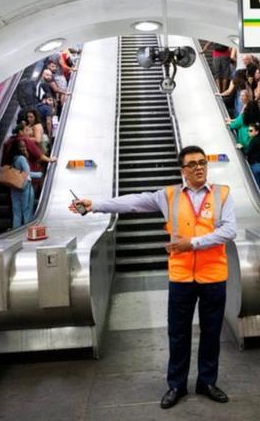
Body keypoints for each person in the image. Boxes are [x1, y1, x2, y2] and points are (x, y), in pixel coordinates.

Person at [70, 145, 237, 410]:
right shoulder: (168, 195)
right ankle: (176, 385)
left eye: (202, 162)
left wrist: (192, 243)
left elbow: (229, 231)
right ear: (183, 170)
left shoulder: (222, 194)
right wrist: (96, 205)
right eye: (192, 164)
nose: (199, 167)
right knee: (178, 333)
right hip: (181, 277)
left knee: (211, 332)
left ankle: (207, 381)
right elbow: (133, 202)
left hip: (213, 275)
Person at [7, 140, 43, 227]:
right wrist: (40, 174)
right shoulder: (21, 159)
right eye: (21, 147)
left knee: (16, 214)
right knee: (27, 212)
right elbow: (27, 173)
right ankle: (27, 232)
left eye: (24, 146)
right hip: (25, 188)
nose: (24, 148)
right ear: (17, 148)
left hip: (14, 188)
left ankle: (16, 234)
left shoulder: (12, 159)